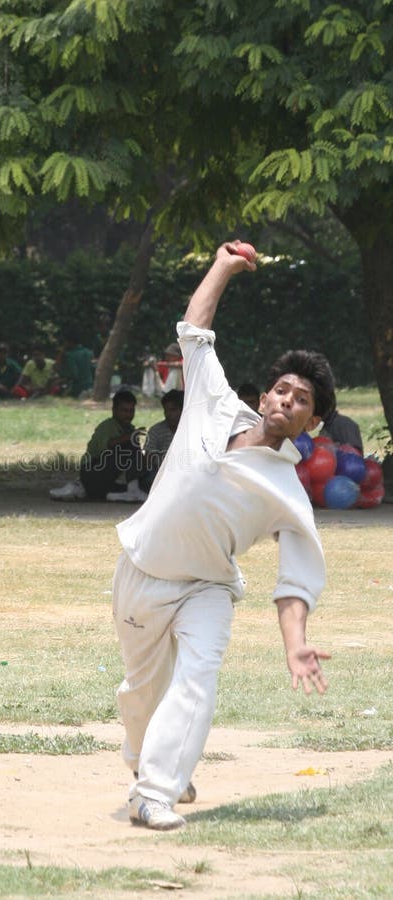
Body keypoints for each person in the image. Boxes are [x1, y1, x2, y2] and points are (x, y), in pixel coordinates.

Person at [113, 240, 334, 831]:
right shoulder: (213, 401)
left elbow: (295, 581)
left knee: (197, 678)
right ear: (266, 396)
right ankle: (145, 760)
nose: (288, 400)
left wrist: (295, 643)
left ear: (310, 424)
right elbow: (195, 328)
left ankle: (153, 793)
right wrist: (223, 266)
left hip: (206, 587)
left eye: (303, 400)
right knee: (141, 693)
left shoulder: (288, 493)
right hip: (142, 568)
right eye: (283, 390)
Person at [49, 390, 148, 503]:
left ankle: (119, 493)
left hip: (107, 477)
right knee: (128, 447)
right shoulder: (107, 427)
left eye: (131, 411)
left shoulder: (129, 429)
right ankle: (132, 491)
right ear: (114, 410)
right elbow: (110, 445)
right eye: (124, 411)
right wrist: (129, 437)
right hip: (92, 471)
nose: (128, 415)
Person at [139, 389, 184, 493]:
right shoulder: (156, 430)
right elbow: (148, 458)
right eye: (166, 410)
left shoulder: (192, 429)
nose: (168, 414)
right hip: (161, 473)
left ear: (183, 410)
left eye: (172, 410)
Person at [55, 332, 94, 398]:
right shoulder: (88, 352)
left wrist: (62, 351)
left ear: (69, 342)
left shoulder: (70, 355)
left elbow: (73, 374)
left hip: (78, 388)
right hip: (90, 385)